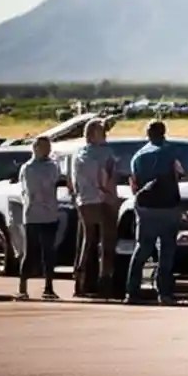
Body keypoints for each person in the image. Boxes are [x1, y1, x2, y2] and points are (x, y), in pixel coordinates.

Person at [126, 121, 184, 305]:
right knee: (166, 251)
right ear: (164, 132)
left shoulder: (138, 156)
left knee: (142, 248)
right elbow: (179, 173)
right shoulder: (171, 152)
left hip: (146, 208)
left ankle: (132, 291)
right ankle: (164, 292)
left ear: (148, 134)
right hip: (168, 207)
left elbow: (134, 183)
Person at [69, 118, 118, 299]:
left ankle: (80, 280)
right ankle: (105, 281)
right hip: (103, 198)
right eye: (102, 131)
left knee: (87, 241)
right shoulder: (105, 153)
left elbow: (73, 181)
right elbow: (110, 177)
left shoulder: (78, 154)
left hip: (85, 200)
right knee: (107, 243)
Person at [16, 137, 61, 301]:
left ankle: (48, 287)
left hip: (49, 213)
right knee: (30, 251)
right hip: (33, 214)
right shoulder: (28, 168)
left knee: (49, 252)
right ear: (35, 148)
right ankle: (22, 287)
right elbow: (32, 190)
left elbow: (54, 182)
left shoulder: (52, 165)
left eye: (49, 147)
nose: (47, 150)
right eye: (43, 147)